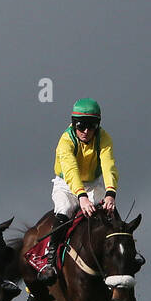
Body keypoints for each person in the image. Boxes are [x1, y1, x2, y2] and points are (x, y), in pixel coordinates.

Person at [28, 98, 119, 283]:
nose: (86, 131)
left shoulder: (104, 138)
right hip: (66, 185)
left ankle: (124, 252)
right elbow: (71, 171)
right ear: (73, 123)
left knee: (112, 212)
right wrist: (82, 197)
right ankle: (50, 262)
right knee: (65, 210)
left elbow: (108, 165)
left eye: (91, 126)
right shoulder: (65, 141)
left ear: (97, 126)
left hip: (93, 184)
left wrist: (110, 193)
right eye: (81, 126)